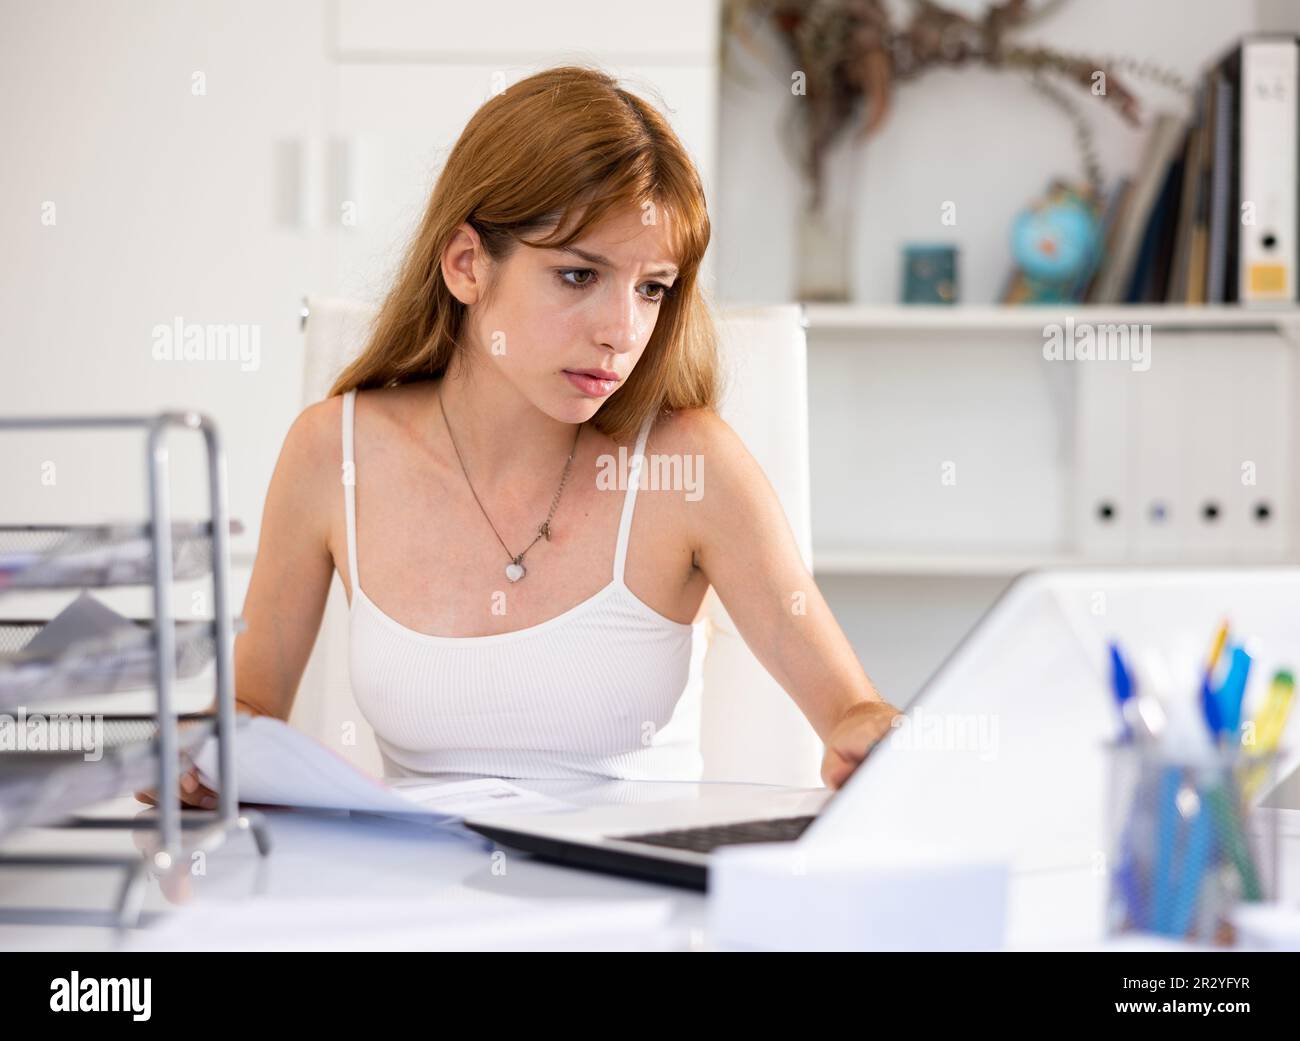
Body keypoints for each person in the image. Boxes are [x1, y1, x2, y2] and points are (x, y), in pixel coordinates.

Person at [138, 65, 898, 812]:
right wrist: (198, 752)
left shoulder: (690, 467)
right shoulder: (329, 453)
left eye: (651, 287)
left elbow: (851, 712)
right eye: (577, 276)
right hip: (420, 907)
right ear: (468, 264)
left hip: (632, 912)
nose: (622, 331)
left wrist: (872, 733)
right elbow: (248, 709)